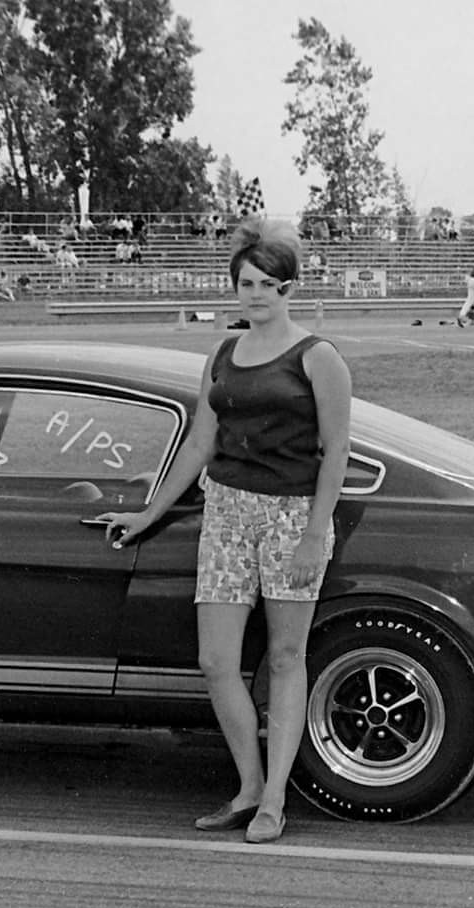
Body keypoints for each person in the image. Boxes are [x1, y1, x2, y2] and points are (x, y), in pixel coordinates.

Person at [95, 215, 352, 844]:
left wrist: (314, 534)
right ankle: (248, 786)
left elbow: (337, 452)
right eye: (246, 283)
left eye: (268, 284)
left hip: (293, 517)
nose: (256, 294)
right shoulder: (221, 355)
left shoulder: (318, 357)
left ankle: (275, 800)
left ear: (289, 288)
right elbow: (199, 443)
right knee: (216, 661)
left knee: (286, 658)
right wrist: (150, 512)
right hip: (227, 514)